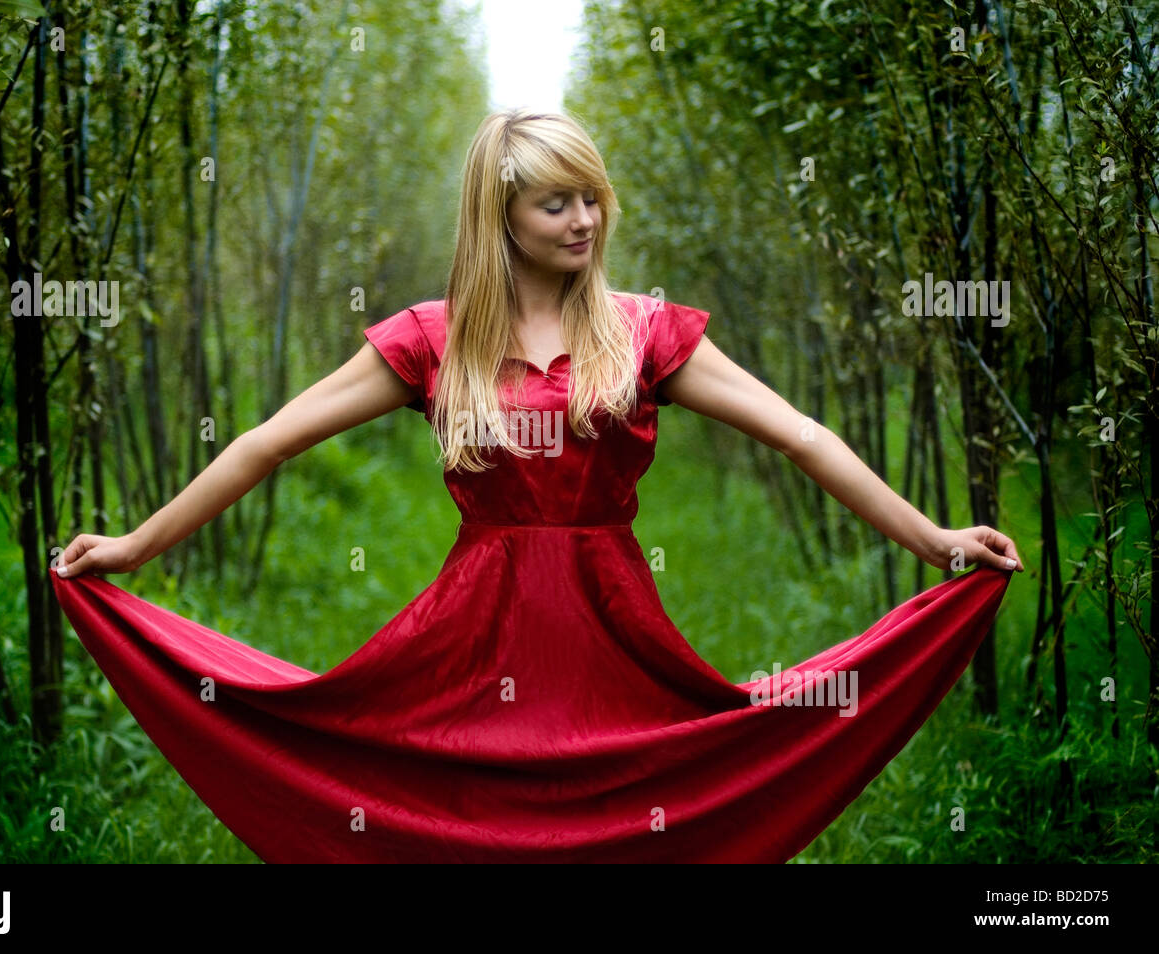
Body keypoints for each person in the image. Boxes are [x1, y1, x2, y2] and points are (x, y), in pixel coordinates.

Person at [52, 108, 1023, 863]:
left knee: (646, 803)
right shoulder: (432, 339)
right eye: (556, 203)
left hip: (609, 623)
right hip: (473, 624)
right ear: (501, 215)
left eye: (592, 198)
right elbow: (266, 443)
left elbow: (802, 437)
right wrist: (138, 546)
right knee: (447, 801)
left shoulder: (642, 331)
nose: (584, 221)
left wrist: (934, 541)